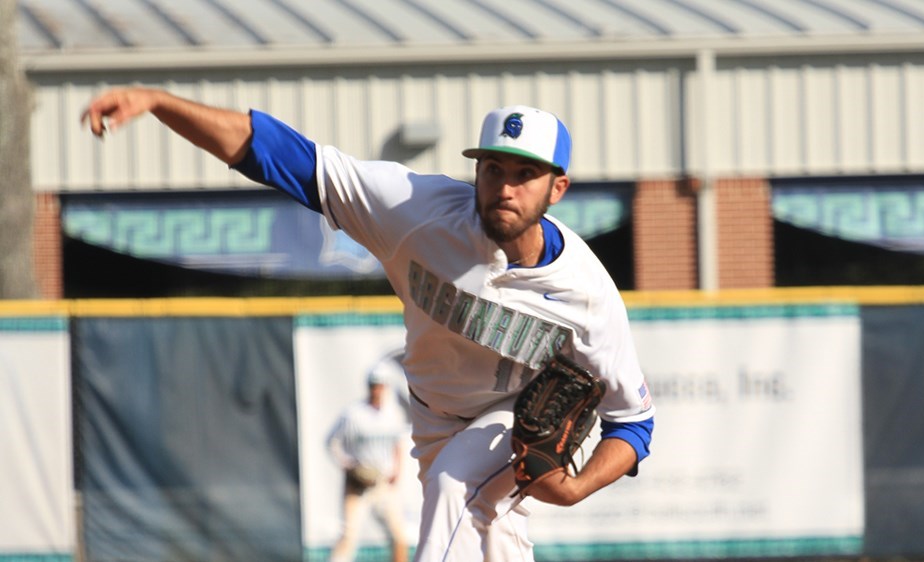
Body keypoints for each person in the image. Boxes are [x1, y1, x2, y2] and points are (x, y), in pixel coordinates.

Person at [82, 87, 656, 561]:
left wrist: (579, 486)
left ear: (558, 188)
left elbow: (633, 422)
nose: (504, 186)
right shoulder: (415, 210)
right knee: (495, 540)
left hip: (511, 420)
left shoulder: (586, 295)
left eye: (525, 174)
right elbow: (281, 155)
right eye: (493, 167)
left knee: (456, 493)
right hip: (432, 416)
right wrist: (159, 102)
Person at [326, 354, 410, 562]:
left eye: (380, 385)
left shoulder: (393, 414)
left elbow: (398, 443)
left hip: (383, 481)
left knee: (399, 537)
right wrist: (347, 465)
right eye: (373, 385)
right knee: (348, 534)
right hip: (358, 483)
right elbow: (332, 442)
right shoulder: (354, 413)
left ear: (386, 386)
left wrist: (396, 471)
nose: (376, 389)